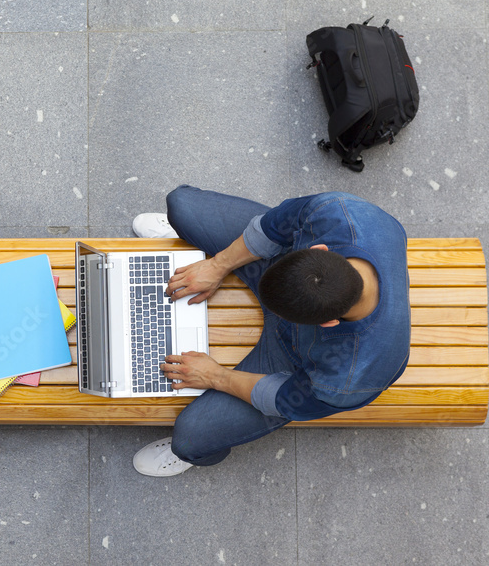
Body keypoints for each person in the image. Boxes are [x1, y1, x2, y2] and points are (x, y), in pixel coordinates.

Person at [129, 186, 410, 476]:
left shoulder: (347, 378)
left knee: (190, 439)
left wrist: (214, 376)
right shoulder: (335, 211)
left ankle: (194, 454)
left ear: (328, 325)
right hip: (280, 266)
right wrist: (217, 265)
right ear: (318, 249)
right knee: (181, 204)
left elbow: (282, 398)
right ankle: (196, 242)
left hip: (291, 359)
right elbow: (273, 228)